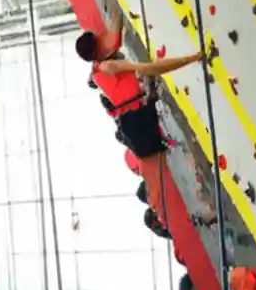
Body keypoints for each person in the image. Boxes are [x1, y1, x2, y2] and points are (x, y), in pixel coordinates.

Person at [74, 12, 205, 223]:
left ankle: (175, 215)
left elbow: (115, 32)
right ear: (97, 45)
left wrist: (117, 12)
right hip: (136, 122)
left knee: (159, 179)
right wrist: (191, 59)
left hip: (134, 121)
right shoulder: (108, 66)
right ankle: (177, 215)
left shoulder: (100, 69)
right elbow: (150, 69)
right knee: (159, 180)